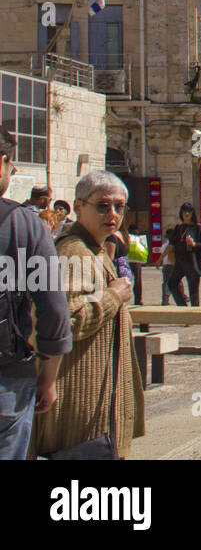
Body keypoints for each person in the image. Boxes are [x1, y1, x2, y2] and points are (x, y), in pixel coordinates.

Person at [33, 169, 144, 459]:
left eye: (120, 207)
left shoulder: (94, 248)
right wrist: (114, 296)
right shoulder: (75, 252)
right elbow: (66, 321)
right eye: (103, 205)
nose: (113, 213)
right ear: (79, 207)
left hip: (95, 400)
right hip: (80, 405)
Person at [0, 129, 72, 461]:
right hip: (7, 377)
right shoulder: (25, 225)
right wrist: (48, 376)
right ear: (2, 163)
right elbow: (54, 309)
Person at [166, 203, 201, 305]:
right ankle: (182, 306)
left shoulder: (197, 228)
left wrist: (194, 244)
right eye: (184, 211)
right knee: (171, 283)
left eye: (189, 211)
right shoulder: (178, 228)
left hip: (192, 262)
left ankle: (194, 316)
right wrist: (160, 259)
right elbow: (171, 244)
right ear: (181, 212)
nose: (187, 213)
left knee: (193, 291)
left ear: (192, 213)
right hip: (180, 262)